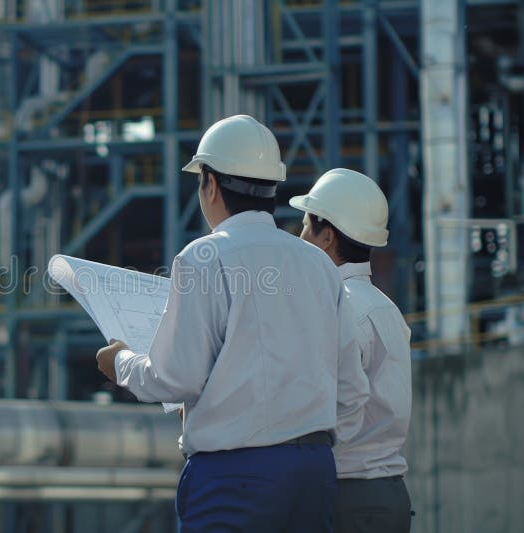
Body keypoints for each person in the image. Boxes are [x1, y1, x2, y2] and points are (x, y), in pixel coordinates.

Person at [95, 115, 369, 532]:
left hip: (232, 477)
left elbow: (175, 378)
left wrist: (121, 363)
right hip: (313, 474)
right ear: (273, 189)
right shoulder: (318, 265)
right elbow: (352, 390)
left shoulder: (202, 258)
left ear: (211, 184)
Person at [290, 168, 413, 533]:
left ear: (327, 236)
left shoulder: (336, 309)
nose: (299, 237)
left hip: (345, 496)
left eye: (305, 227)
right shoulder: (386, 309)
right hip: (389, 494)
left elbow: (325, 409)